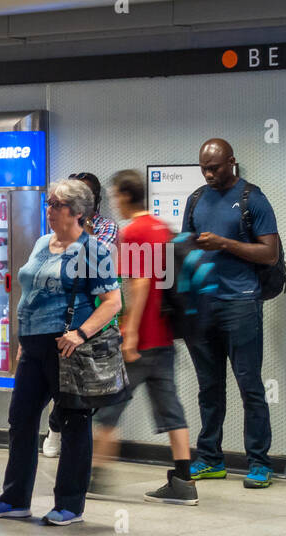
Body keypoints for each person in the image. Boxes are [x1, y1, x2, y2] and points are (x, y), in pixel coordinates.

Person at [0, 178, 121, 526]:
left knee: (73, 422)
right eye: (49, 203)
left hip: (67, 346)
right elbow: (31, 289)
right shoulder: (43, 242)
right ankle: (15, 499)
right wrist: (25, 335)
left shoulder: (94, 251)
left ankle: (70, 505)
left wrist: (81, 333)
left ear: (77, 212)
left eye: (56, 204)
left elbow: (112, 302)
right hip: (34, 345)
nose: (49, 209)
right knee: (21, 419)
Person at [92, 170, 197, 504]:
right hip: (165, 339)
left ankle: (92, 475)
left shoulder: (135, 231)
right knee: (171, 409)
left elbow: (139, 282)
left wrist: (131, 333)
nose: (114, 202)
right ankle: (184, 480)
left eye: (114, 196)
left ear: (124, 196)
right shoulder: (160, 228)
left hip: (142, 341)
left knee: (109, 406)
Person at [182, 138, 280, 489]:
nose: (209, 174)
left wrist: (224, 243)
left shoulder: (252, 199)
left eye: (215, 167)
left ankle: (259, 463)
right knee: (209, 388)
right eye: (204, 168)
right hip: (204, 307)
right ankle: (210, 459)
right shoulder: (195, 199)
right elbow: (187, 250)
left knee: (249, 385)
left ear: (232, 163)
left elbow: (269, 253)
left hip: (241, 303)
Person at [42, 171, 118, 459]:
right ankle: (55, 428)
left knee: (87, 383)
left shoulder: (107, 227)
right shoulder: (54, 226)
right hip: (59, 316)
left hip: (92, 317)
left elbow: (97, 258)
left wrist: (79, 231)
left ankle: (63, 430)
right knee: (61, 377)